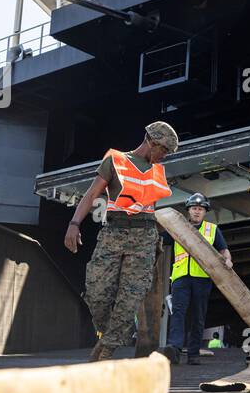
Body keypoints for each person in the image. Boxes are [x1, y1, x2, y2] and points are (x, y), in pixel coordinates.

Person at [65, 121, 178, 361]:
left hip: (145, 237)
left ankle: (106, 350)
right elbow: (92, 194)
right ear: (151, 142)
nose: (164, 157)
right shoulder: (116, 161)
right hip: (113, 233)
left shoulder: (158, 170)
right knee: (97, 293)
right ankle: (109, 337)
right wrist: (74, 224)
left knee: (130, 298)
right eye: (164, 151)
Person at [165, 192, 232, 365]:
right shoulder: (177, 227)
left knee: (198, 316)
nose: (196, 212)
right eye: (194, 208)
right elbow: (161, 241)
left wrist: (228, 260)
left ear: (205, 212)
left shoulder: (212, 229)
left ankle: (193, 353)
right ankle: (174, 348)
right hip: (180, 276)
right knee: (178, 313)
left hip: (202, 278)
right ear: (188, 210)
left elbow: (223, 249)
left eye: (200, 209)